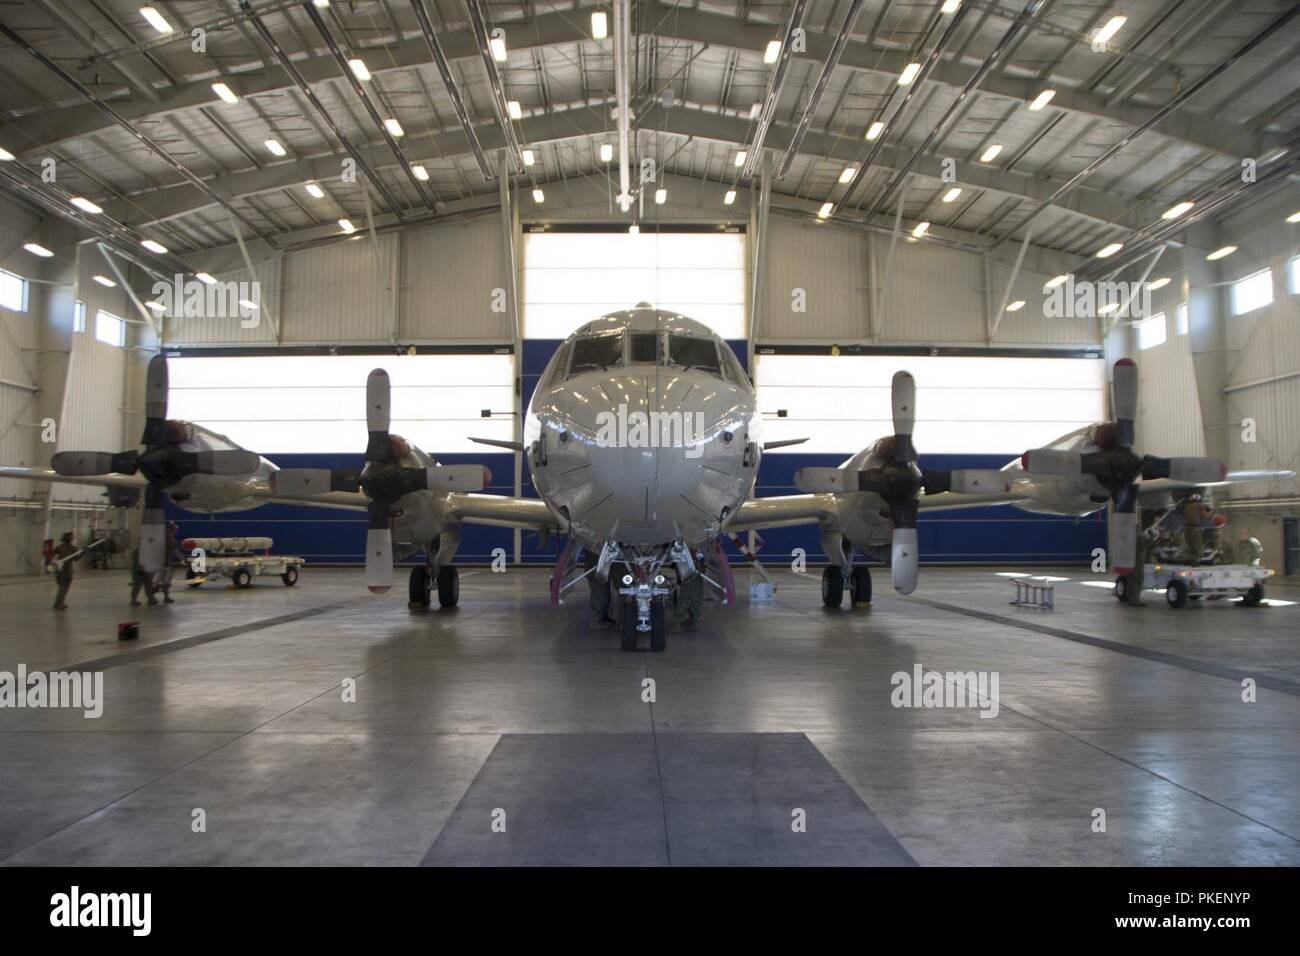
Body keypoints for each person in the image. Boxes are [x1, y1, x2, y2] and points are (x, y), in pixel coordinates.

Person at [49, 531, 80, 611]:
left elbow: (50, 555)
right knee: (64, 588)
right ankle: (58, 604)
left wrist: (49, 563)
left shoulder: (60, 547)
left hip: (60, 570)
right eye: (70, 536)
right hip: (66, 571)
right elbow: (77, 559)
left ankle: (61, 602)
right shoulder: (73, 548)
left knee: (62, 587)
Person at [1125, 527, 1155, 607]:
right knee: (1137, 582)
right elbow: (1146, 545)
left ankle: (1131, 599)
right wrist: (1151, 536)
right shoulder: (1138, 540)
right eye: (1138, 530)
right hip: (1137, 565)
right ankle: (1135, 600)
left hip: (1131, 564)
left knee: (1131, 581)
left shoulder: (1129, 539)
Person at [1183, 494, 1206, 565]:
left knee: (1190, 544)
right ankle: (1195, 561)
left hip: (1187, 528)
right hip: (1195, 527)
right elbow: (1204, 515)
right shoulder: (1199, 505)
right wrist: (1211, 513)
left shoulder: (1187, 506)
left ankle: (1189, 559)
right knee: (1197, 544)